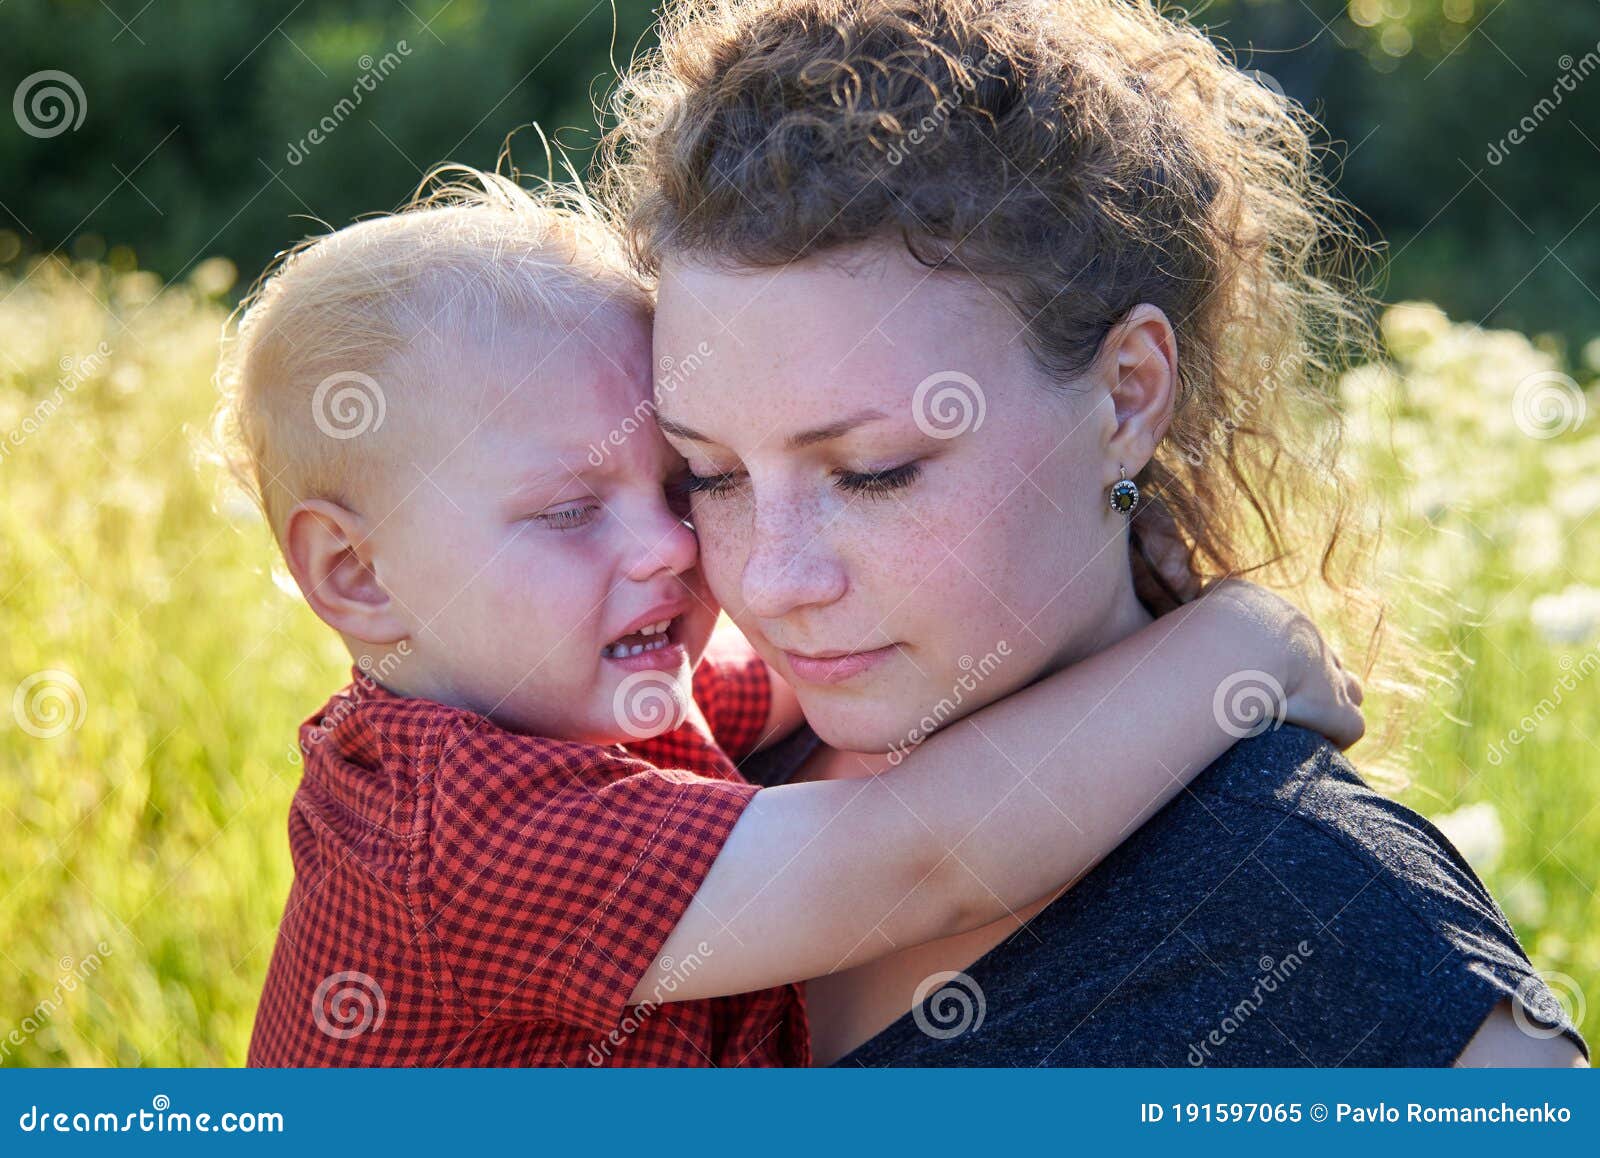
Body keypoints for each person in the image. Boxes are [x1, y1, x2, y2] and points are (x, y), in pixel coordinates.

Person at [603, 0, 1589, 1065]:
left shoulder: (1349, 946)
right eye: (707, 475)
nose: (771, 579)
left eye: (874, 472)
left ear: (1125, 395)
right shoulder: (653, 766)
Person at [218, 167, 1359, 1065]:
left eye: (679, 484)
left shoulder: (578, 692)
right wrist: (1232, 651)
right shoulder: (459, 836)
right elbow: (914, 861)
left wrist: (1078, 548)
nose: (675, 548)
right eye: (570, 511)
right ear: (355, 574)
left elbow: (794, 678)